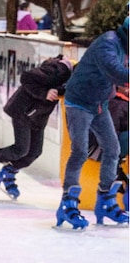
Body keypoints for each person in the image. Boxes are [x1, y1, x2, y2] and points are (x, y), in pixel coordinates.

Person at [56, 18, 130, 228]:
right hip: (79, 102)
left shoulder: (123, 46)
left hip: (99, 103)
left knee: (113, 149)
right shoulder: (108, 43)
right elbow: (115, 72)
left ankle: (105, 200)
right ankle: (67, 203)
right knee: (79, 151)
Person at [0, 56, 73, 199]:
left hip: (38, 115)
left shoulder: (71, 77)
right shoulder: (58, 71)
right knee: (21, 149)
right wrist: (44, 93)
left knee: (34, 152)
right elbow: (27, 77)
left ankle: (8, 172)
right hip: (22, 111)